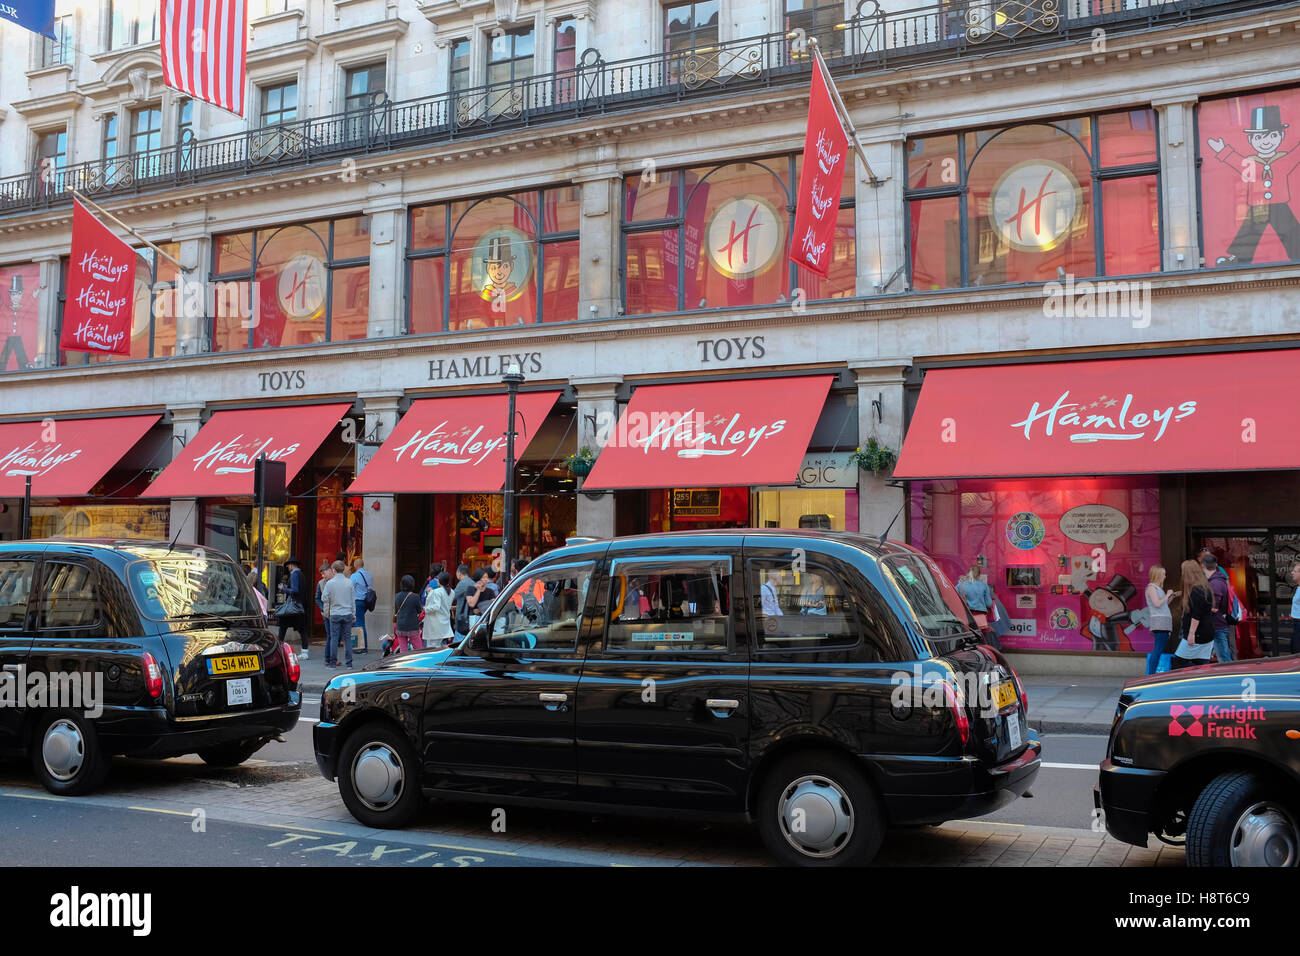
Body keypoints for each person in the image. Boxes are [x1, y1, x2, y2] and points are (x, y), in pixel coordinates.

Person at [1172, 559, 1214, 669]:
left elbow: (1197, 615)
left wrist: (1191, 634)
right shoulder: (1204, 587)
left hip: (1197, 634)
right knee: (1201, 663)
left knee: (1178, 663)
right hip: (1206, 632)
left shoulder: (1197, 590)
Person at [1199, 549, 1234, 664]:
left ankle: (1230, 679)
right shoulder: (1219, 579)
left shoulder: (1215, 583)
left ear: (1203, 565)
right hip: (1218, 624)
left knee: (1223, 659)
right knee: (1222, 656)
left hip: (1217, 625)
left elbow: (1214, 606)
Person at [1144, 564, 1178, 675]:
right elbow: (1157, 604)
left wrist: (1171, 596)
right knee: (1157, 650)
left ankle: (1152, 673)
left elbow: (1164, 605)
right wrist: (1167, 594)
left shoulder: (1158, 588)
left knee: (1159, 649)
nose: (1165, 576)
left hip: (1163, 622)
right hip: (1159, 622)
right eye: (1163, 574)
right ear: (1157, 575)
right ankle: (1151, 674)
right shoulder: (1151, 588)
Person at [322, 560, 355, 669]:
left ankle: (332, 663)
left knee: (334, 638)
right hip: (347, 613)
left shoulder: (330, 583)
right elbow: (352, 600)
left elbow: (324, 598)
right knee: (347, 638)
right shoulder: (349, 582)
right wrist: (353, 614)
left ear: (334, 570)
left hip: (335, 613)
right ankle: (349, 663)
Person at [276, 557, 308, 659]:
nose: (287, 567)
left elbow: (295, 590)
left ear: (291, 565)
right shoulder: (301, 574)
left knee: (282, 627)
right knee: (302, 629)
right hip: (300, 606)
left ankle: (278, 650)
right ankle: (305, 652)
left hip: (293, 607)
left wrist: (283, 589)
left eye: (288, 565)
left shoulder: (294, 574)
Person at [392, 575, 424, 655]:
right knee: (418, 649)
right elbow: (419, 611)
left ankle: (404, 664)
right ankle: (419, 664)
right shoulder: (415, 597)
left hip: (400, 626)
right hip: (412, 626)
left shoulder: (397, 596)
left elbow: (396, 610)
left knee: (403, 650)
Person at [423, 571, 454, 647]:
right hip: (445, 622)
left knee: (432, 647)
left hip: (435, 622)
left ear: (440, 581)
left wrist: (425, 608)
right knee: (437, 645)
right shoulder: (452, 592)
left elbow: (436, 606)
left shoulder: (436, 592)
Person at [351, 556, 374, 654]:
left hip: (358, 601)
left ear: (355, 565)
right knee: (357, 623)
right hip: (366, 601)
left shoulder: (354, 576)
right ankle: (356, 646)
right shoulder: (369, 575)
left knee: (359, 624)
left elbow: (350, 588)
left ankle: (362, 648)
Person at [451, 563, 474, 640]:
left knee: (458, 644)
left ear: (459, 573)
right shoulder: (472, 582)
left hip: (462, 619)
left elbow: (452, 596)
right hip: (470, 618)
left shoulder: (462, 583)